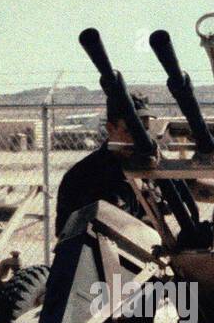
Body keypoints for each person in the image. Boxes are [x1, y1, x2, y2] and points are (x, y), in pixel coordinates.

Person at [53, 92, 150, 235]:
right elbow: (68, 238)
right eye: (129, 132)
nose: (139, 140)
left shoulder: (152, 166)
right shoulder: (82, 177)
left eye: (144, 131)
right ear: (110, 129)